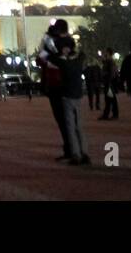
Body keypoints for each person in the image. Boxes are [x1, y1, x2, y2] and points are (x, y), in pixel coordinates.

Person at [38, 20, 74, 160]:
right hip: (69, 85)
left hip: (56, 85)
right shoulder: (70, 43)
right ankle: (74, 149)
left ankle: (72, 150)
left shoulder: (53, 46)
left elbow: (41, 59)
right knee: (70, 119)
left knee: (64, 119)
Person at [55, 37, 91, 165]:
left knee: (70, 127)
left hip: (67, 96)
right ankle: (85, 153)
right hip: (78, 95)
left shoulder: (64, 64)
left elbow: (48, 57)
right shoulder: (79, 61)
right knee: (79, 126)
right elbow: (82, 54)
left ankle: (76, 154)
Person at [99, 49, 120, 120]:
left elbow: (112, 73)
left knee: (111, 99)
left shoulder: (110, 61)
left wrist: (107, 77)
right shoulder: (108, 61)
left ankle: (114, 114)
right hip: (108, 83)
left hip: (109, 83)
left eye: (106, 52)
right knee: (108, 99)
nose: (104, 53)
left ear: (108, 53)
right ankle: (107, 114)